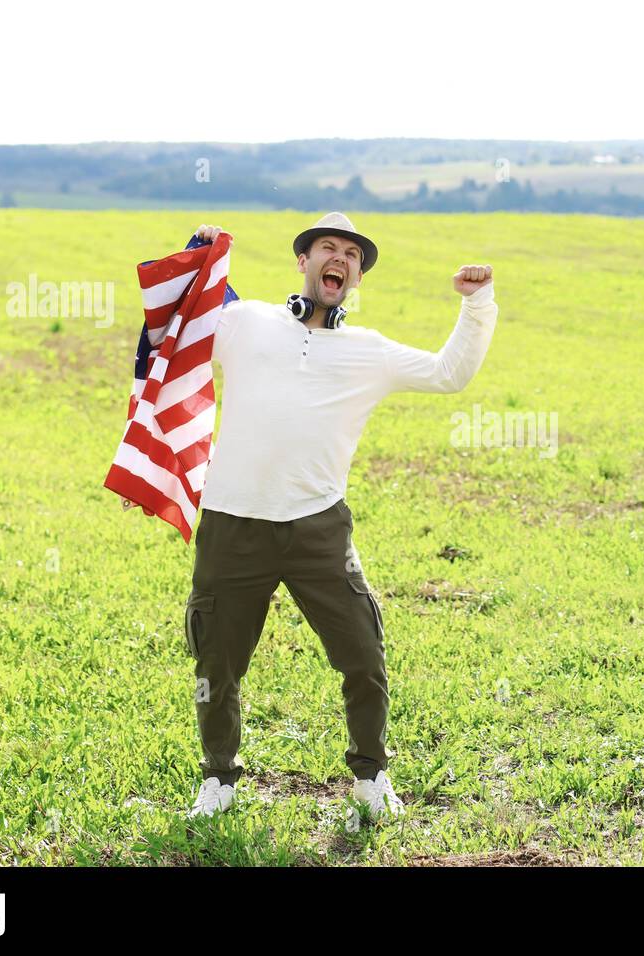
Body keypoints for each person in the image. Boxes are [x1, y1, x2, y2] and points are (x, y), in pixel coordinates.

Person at [183, 212, 497, 828]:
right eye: (329, 248)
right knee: (216, 662)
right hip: (231, 521)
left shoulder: (368, 352)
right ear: (303, 261)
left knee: (363, 651)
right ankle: (218, 778)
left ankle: (371, 775)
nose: (341, 259)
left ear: (355, 277)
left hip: (317, 528)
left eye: (352, 255)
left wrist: (477, 302)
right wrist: (200, 257)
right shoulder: (246, 323)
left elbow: (449, 373)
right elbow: (181, 332)